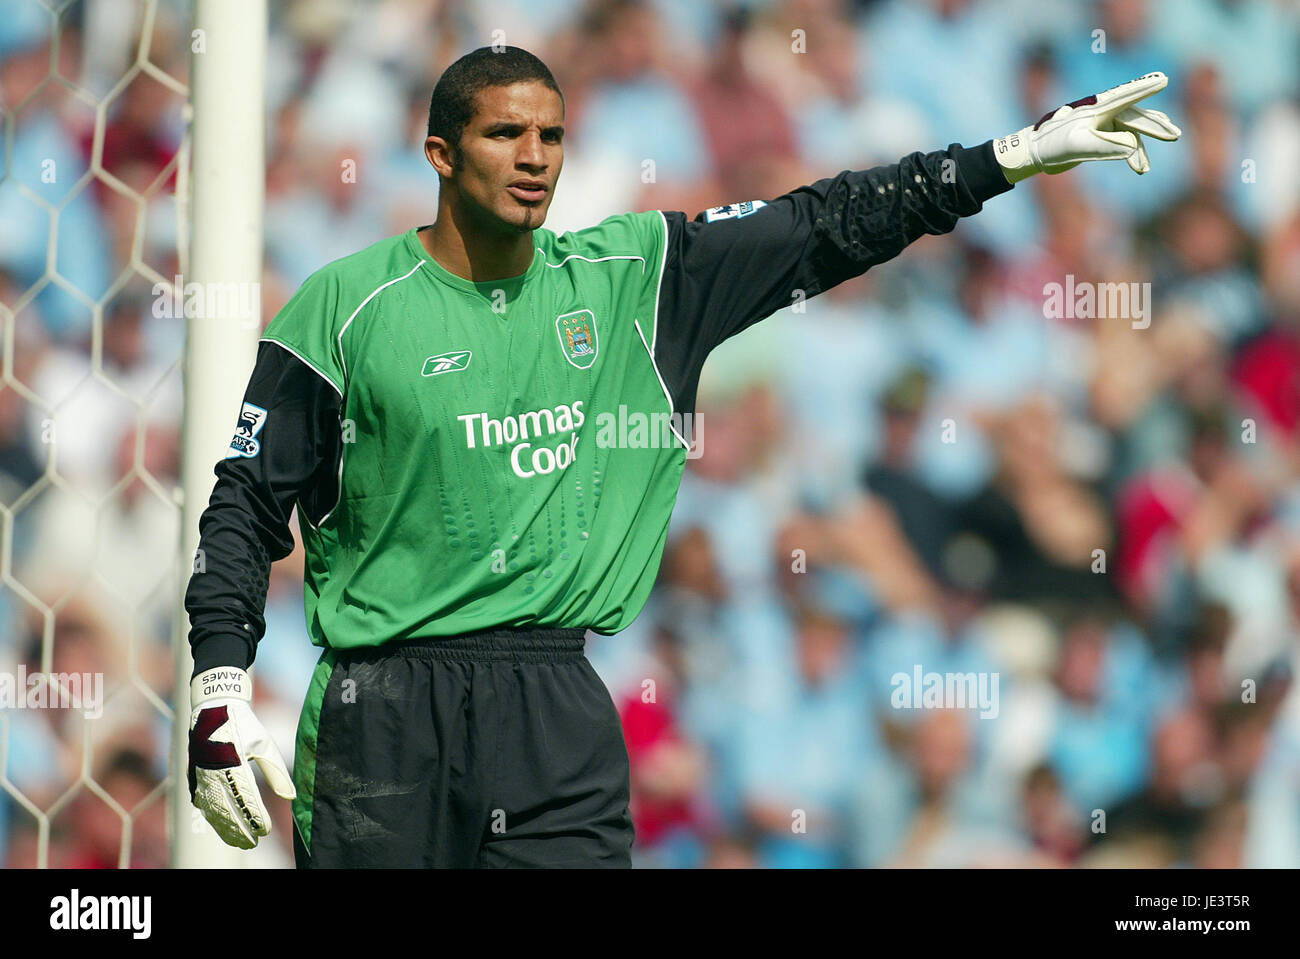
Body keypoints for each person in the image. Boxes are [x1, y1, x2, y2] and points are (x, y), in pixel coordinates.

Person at [184, 47, 1180, 868]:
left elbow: (827, 221)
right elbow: (243, 498)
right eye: (504, 134)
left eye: (551, 135)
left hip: (553, 709)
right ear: (439, 152)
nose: (534, 157)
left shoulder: (638, 279)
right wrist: (220, 679)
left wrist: (1008, 156)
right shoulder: (345, 306)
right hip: (382, 711)